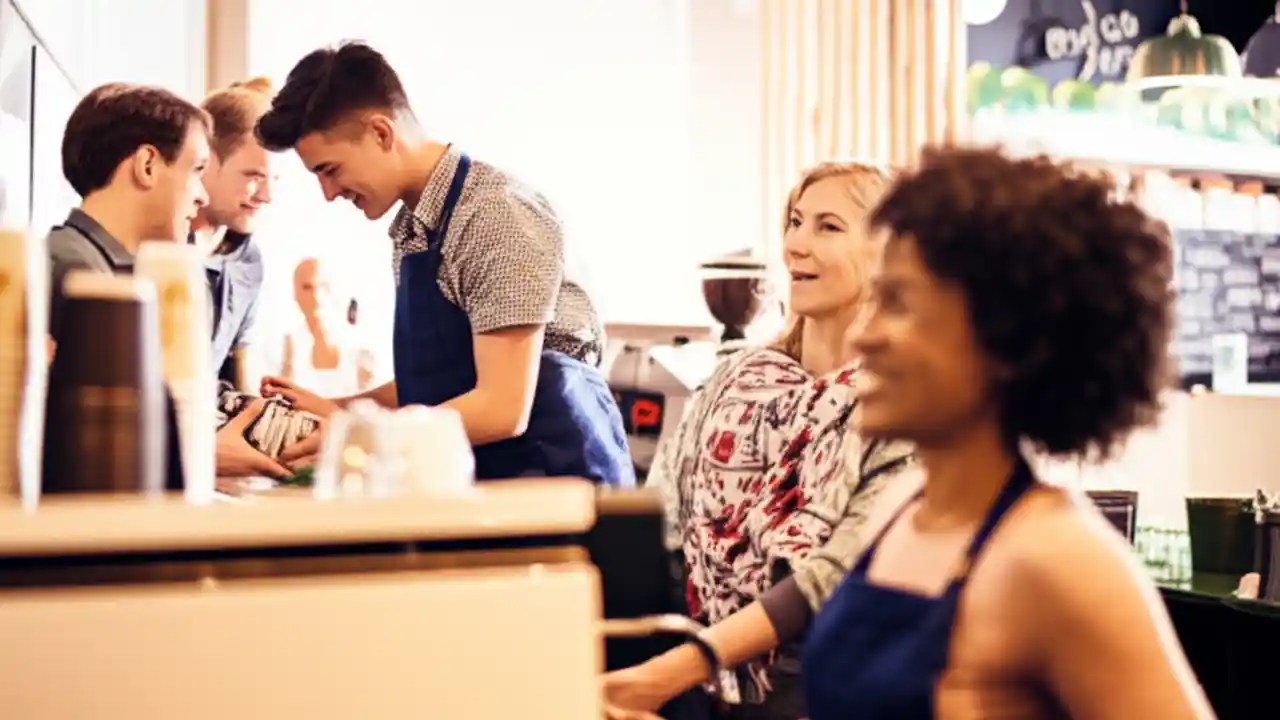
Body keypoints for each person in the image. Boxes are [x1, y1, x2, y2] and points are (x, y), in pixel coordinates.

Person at [797, 147, 1212, 717]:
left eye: (898, 303)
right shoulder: (900, 507)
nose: (865, 336)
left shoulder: (1059, 559)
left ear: (1004, 338)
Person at [606, 163, 917, 720]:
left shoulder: (902, 407)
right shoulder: (733, 381)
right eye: (795, 222)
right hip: (690, 674)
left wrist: (667, 673)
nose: (796, 243)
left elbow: (832, 576)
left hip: (816, 685)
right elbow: (662, 520)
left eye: (828, 227)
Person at [252, 41, 633, 486]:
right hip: (479, 478)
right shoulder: (414, 228)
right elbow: (442, 384)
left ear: (381, 133)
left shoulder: (495, 214)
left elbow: (501, 408)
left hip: (550, 479)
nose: (329, 193)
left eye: (330, 170)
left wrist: (354, 436)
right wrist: (343, 408)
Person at [46, 82, 290, 480]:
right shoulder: (79, 277)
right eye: (196, 171)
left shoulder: (115, 272)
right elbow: (80, 446)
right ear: (146, 166)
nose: (200, 195)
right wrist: (199, 451)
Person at [190, 76, 276, 389]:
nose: (267, 196)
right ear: (205, 160)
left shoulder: (249, 262)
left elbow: (241, 370)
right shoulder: (157, 246)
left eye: (274, 179)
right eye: (254, 176)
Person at [279, 257, 373, 397]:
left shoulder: (359, 344)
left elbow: (373, 404)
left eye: (322, 286)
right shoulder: (290, 345)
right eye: (307, 287)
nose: (316, 295)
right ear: (295, 293)